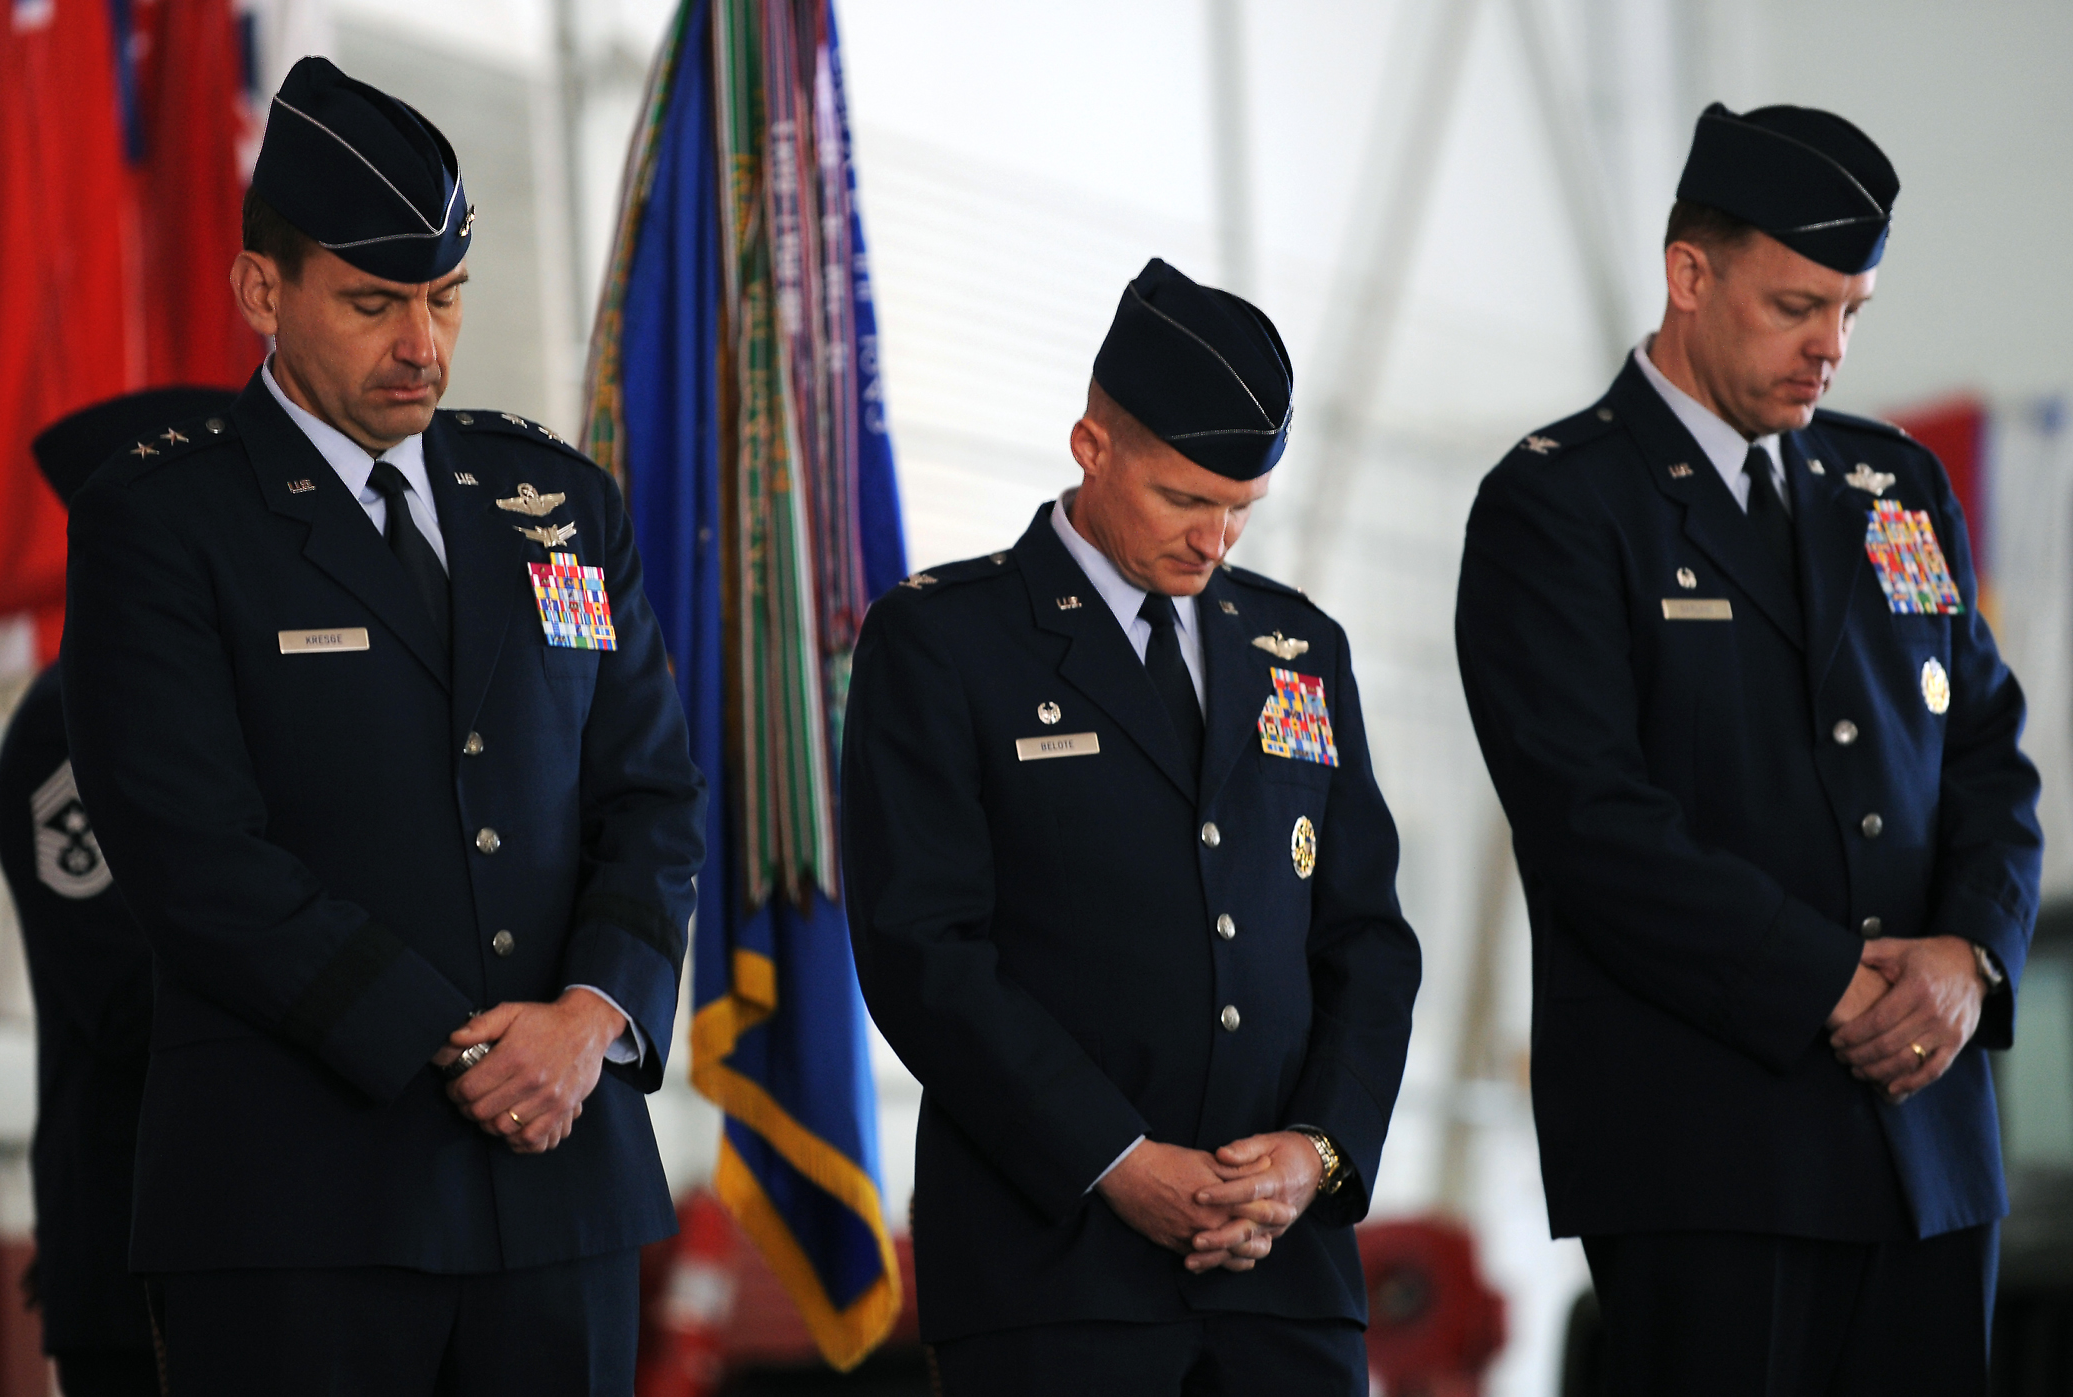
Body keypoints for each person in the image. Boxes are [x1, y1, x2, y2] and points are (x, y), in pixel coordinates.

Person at [60, 57, 706, 1396]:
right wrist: (464, 1042)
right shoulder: (164, 524)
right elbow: (192, 853)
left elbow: (652, 796)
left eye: (445, 297)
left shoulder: (557, 505)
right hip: (300, 1206)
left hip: (560, 1200)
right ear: (261, 293)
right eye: (372, 302)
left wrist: (587, 1020)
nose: (424, 343)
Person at [1456, 103, 2041, 1395]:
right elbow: (1593, 824)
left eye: (1854, 311)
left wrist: (1967, 960)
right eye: (1797, 306)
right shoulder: (1557, 506)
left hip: (1929, 1154)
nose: (1830, 347)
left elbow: (1991, 755)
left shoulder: (1895, 487)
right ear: (1688, 274)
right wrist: (1841, 987)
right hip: (1710, 1151)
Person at [842, 258, 1421, 1395]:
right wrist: (1116, 1158)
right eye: (1186, 499)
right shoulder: (946, 642)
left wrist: (1315, 1152)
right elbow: (924, 950)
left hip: (1284, 1278)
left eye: (1241, 512)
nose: (1214, 542)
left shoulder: (1299, 647)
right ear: (1092, 446)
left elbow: (1365, 937)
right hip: (1054, 1273)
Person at [0, 387, 234, 1397]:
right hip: (146, 1232)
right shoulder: (70, 726)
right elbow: (130, 991)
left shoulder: (215, 694)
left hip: (259, 1234)